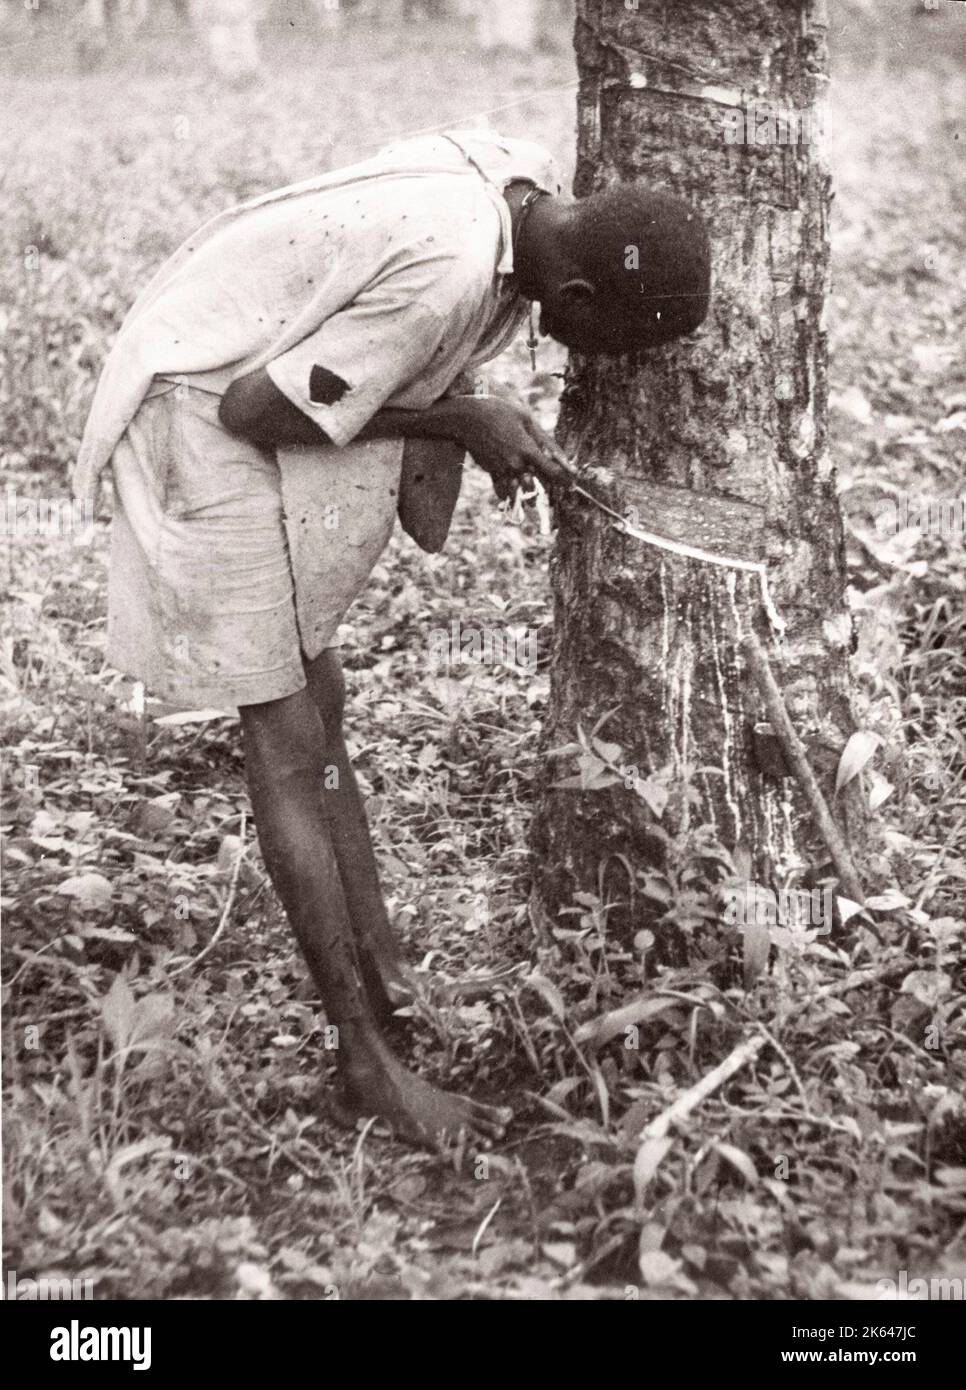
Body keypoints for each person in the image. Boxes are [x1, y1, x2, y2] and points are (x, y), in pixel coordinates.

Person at [75, 129, 711, 1147]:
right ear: (576, 294)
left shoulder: (518, 185)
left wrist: (459, 413)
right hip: (196, 407)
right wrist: (458, 420)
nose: (583, 361)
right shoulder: (447, 275)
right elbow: (253, 407)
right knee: (287, 739)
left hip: (235, 357)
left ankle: (385, 967)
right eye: (600, 343)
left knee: (319, 702)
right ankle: (364, 1058)